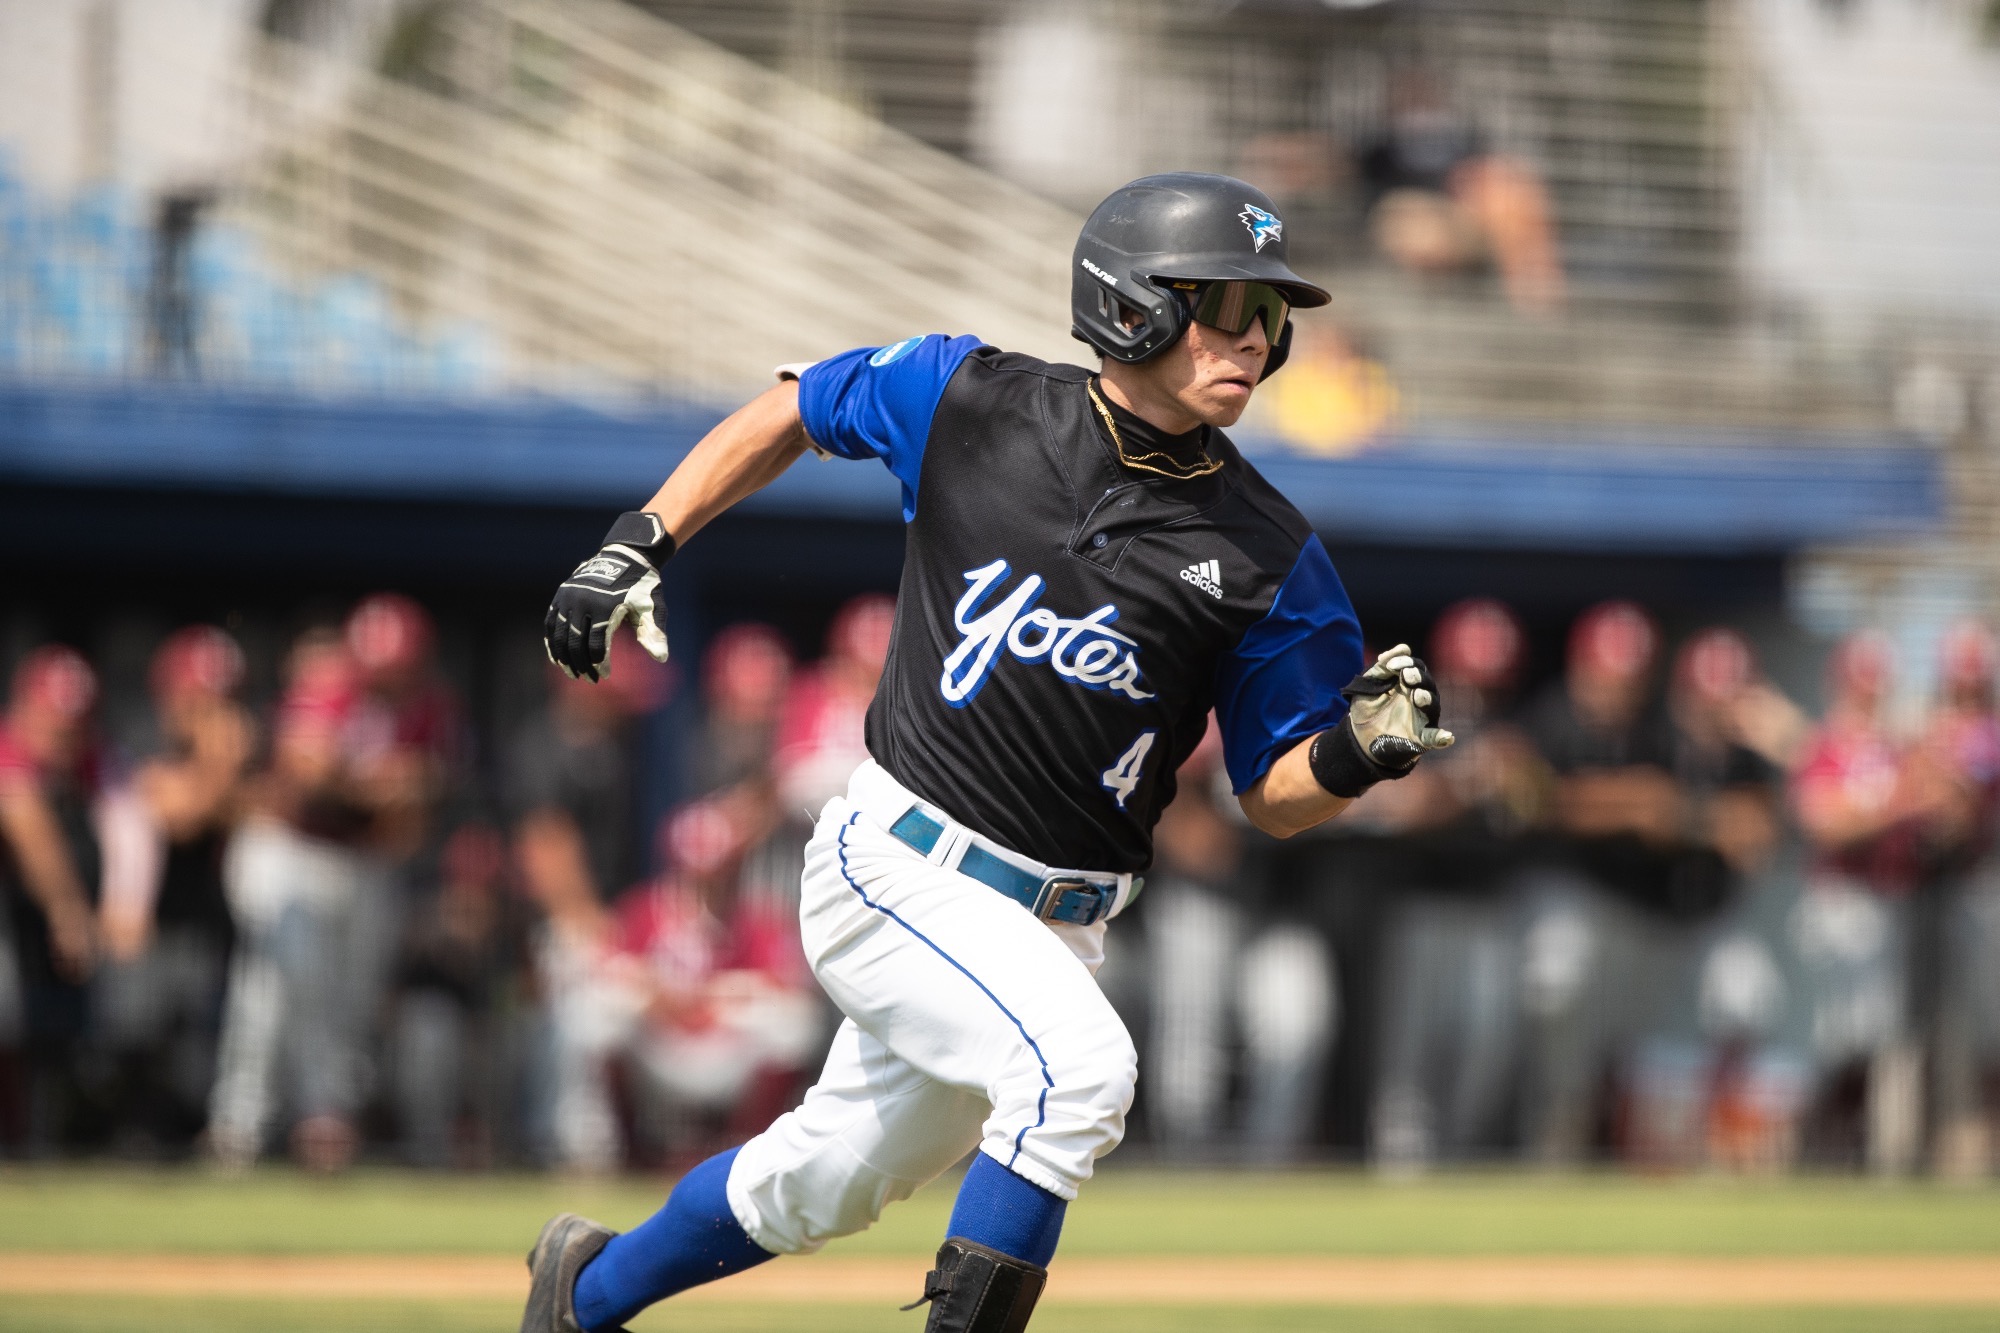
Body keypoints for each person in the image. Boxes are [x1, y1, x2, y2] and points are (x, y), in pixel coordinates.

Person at [526, 172, 1453, 1333]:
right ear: (1131, 305)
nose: (1252, 339)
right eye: (1222, 305)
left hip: (1060, 924)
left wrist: (1358, 756)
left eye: (1269, 317)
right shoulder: (965, 397)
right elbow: (794, 407)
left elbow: (1271, 795)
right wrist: (640, 538)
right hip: (897, 862)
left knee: (817, 1183)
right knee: (1078, 1075)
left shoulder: (1272, 553)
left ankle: (578, 1295)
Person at [97, 625, 254, 1155]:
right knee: (132, 1031)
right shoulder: (140, 733)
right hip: (139, 913)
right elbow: (179, 814)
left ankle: (178, 1138)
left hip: (204, 915)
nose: (214, 712)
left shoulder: (242, 744)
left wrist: (223, 777)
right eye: (202, 698)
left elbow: (257, 807)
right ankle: (124, 1134)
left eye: (222, 699)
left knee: (196, 1037)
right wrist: (222, 770)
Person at [0, 647, 102, 1153]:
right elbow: (30, 828)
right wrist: (68, 911)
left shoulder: (82, 764)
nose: (64, 736)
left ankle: (29, 1138)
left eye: (73, 724)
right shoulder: (8, 748)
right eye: (54, 721)